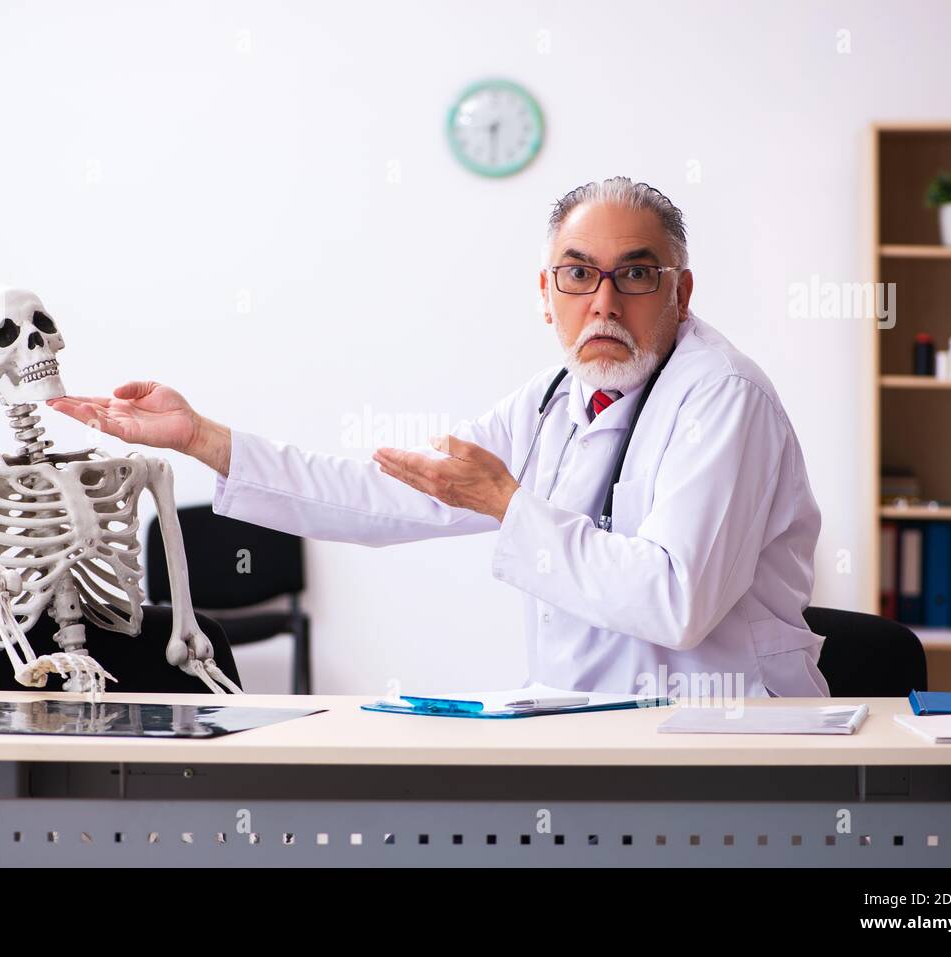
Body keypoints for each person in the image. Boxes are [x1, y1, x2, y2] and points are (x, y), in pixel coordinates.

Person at [49, 177, 828, 699]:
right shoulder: (556, 399)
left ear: (681, 290)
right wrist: (202, 437)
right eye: (578, 273)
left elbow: (675, 599)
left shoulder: (722, 397)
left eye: (636, 274)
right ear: (545, 292)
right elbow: (391, 496)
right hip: (596, 737)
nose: (604, 301)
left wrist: (509, 503)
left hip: (726, 743)